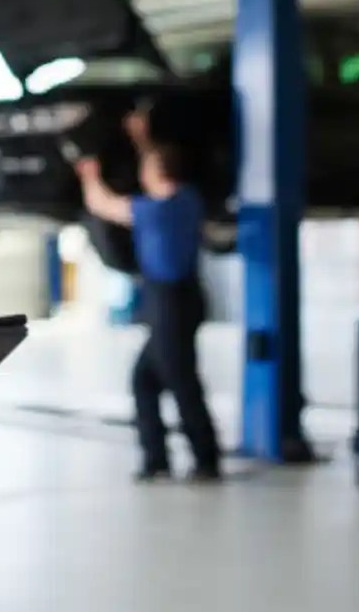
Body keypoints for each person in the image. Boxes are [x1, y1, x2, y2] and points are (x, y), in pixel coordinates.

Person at [73, 108, 223, 482]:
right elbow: (158, 166)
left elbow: (101, 204)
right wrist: (142, 139)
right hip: (183, 299)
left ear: (155, 174)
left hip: (169, 305)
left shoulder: (153, 211)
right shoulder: (188, 200)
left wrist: (89, 175)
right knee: (146, 380)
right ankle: (157, 459)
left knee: (181, 382)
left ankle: (205, 460)